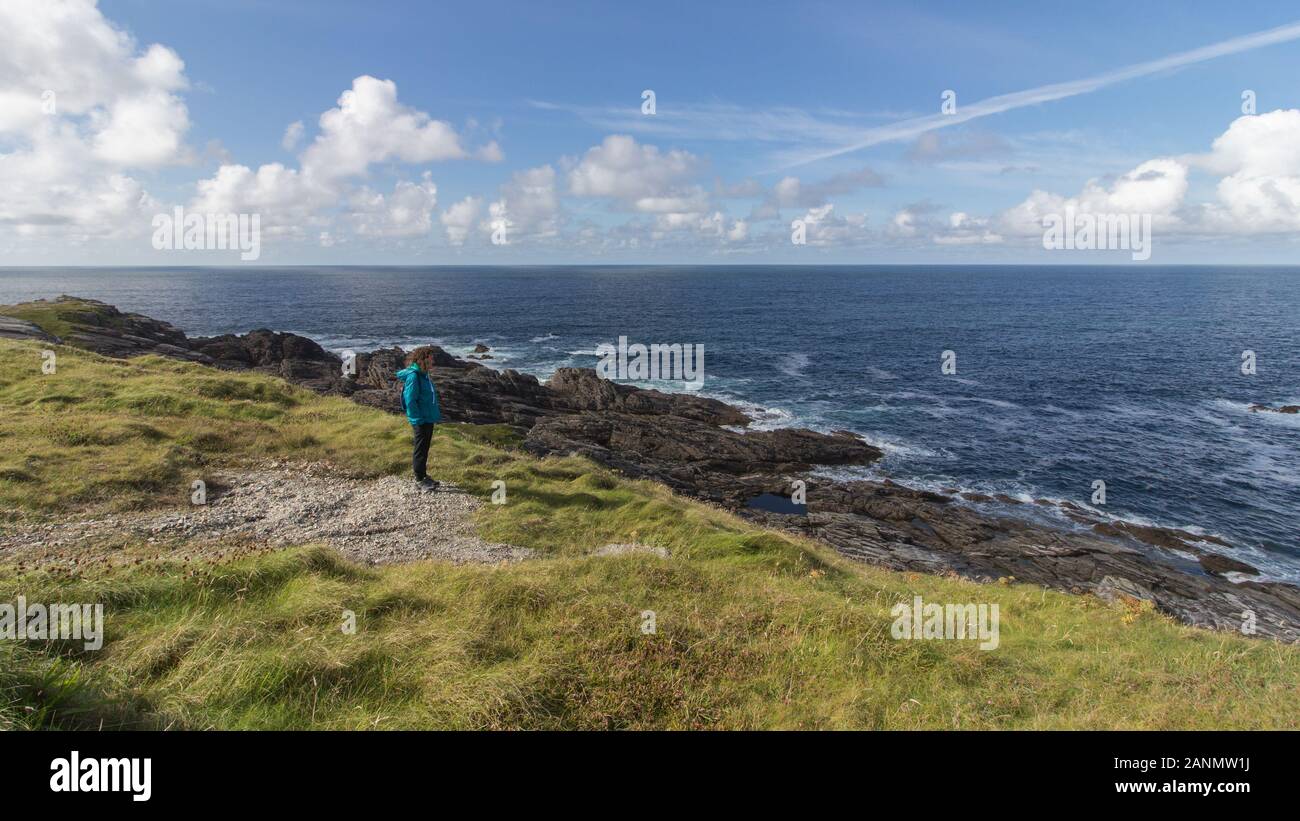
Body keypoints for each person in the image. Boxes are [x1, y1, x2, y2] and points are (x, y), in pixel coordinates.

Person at [395, 348, 442, 492]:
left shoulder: (424, 374)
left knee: (425, 448)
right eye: (431, 358)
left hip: (427, 417)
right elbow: (410, 400)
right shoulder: (414, 376)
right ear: (423, 359)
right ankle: (420, 480)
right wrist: (417, 419)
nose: (433, 361)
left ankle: (424, 476)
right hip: (421, 419)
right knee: (420, 449)